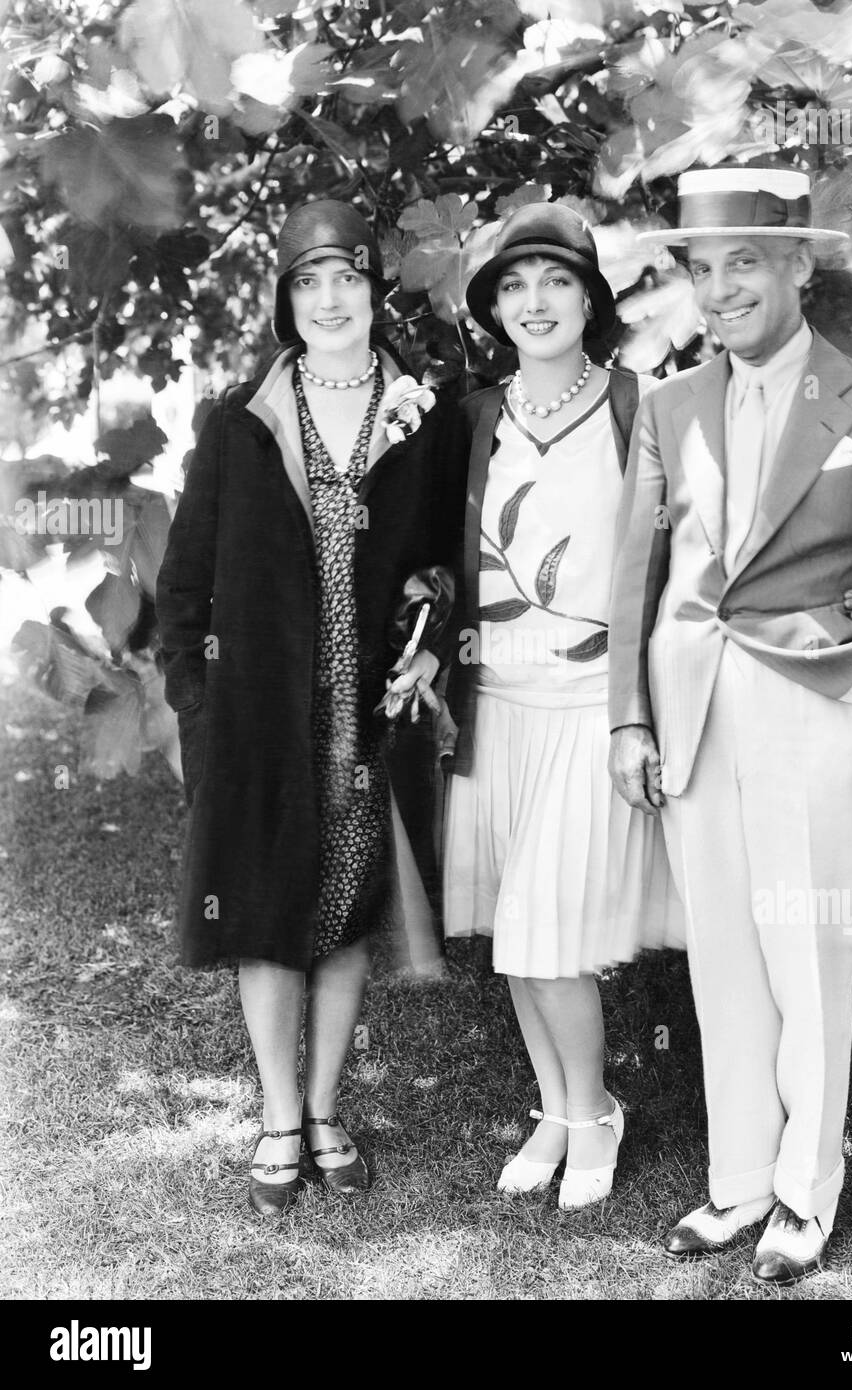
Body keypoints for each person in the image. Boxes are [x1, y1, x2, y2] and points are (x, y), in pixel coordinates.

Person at [443, 201, 852, 1212]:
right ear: (494, 310)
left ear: (592, 299)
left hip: (595, 710)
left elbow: (731, 536)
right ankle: (556, 1109)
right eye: (513, 285)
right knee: (518, 936)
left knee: (542, 932)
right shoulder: (469, 417)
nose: (534, 301)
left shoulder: (644, 403)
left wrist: (836, 596)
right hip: (497, 704)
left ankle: (598, 1108)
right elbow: (431, 554)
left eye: (555, 280)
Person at [608, 166, 852, 1281]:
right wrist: (629, 719)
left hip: (813, 714)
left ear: (799, 263)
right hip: (693, 713)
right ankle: (738, 1183)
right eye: (702, 268)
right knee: (721, 957)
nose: (718, 290)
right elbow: (636, 579)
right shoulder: (666, 405)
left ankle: (806, 1197)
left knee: (807, 955)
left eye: (743, 264)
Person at [155, 199, 459, 1218]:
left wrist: (435, 616)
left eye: (347, 277)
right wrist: (198, 710)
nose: (329, 298)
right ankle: (279, 1113)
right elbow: (183, 585)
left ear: (376, 291)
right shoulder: (240, 423)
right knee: (262, 913)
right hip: (258, 715)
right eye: (307, 280)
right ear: (287, 301)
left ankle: (327, 1109)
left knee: (343, 911)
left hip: (364, 720)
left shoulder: (427, 416)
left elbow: (447, 566)